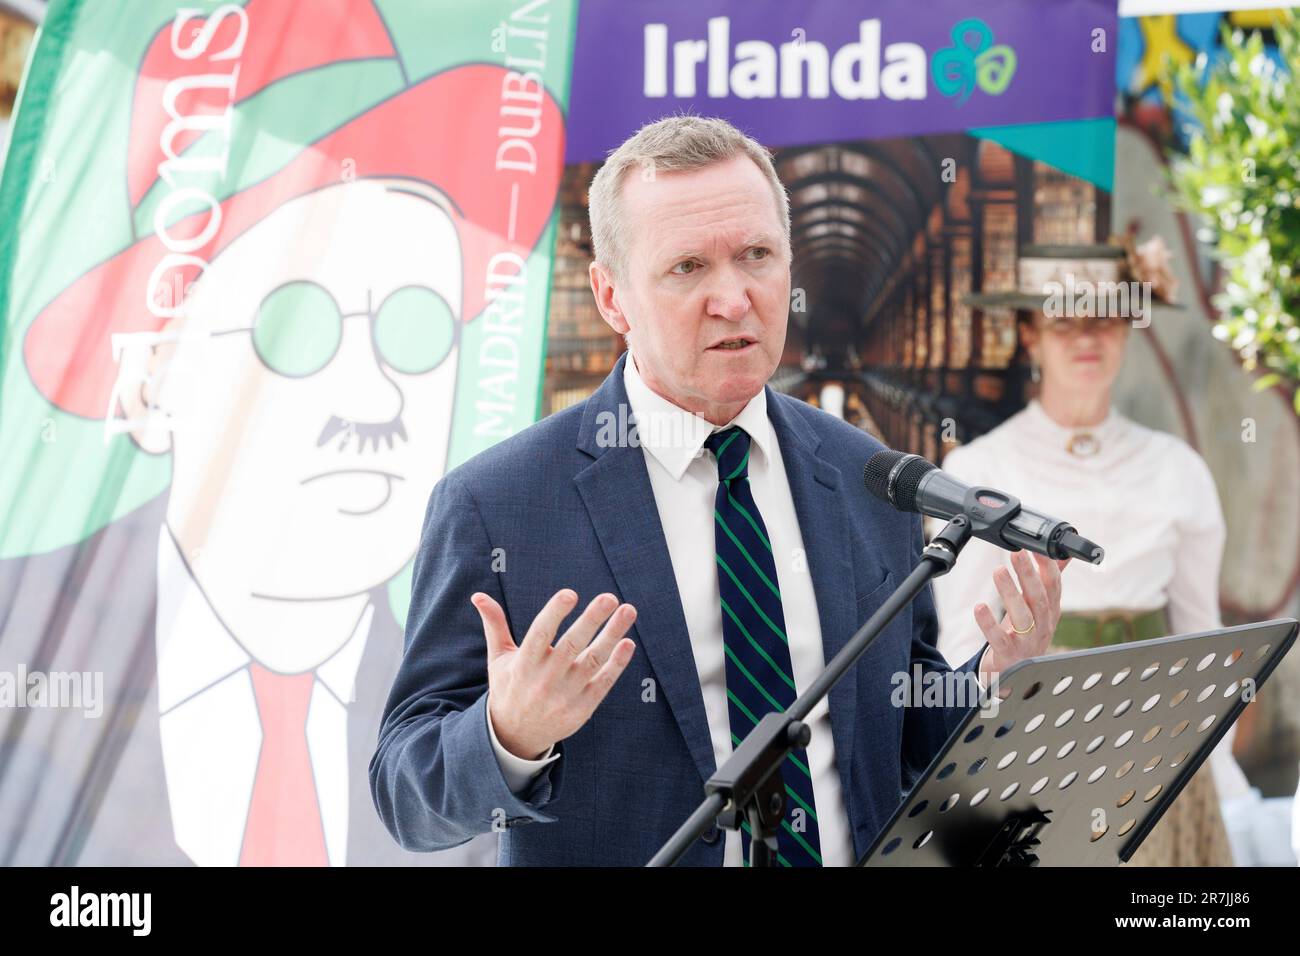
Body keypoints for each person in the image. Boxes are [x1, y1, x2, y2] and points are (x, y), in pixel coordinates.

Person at [369, 116, 1069, 867]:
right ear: (612, 298)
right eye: (688, 267)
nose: (733, 297)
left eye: (756, 256)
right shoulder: (498, 505)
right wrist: (509, 732)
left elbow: (897, 743)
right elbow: (407, 800)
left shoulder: (868, 476)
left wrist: (989, 688)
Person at [933, 241, 1243, 866]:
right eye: (1062, 321)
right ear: (1030, 336)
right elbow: (960, 646)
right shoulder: (979, 472)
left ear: (1128, 328)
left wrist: (1214, 760)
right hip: (1036, 750)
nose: (1086, 339)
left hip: (1160, 748)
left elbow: (1201, 634)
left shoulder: (1177, 468)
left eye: (1104, 318)